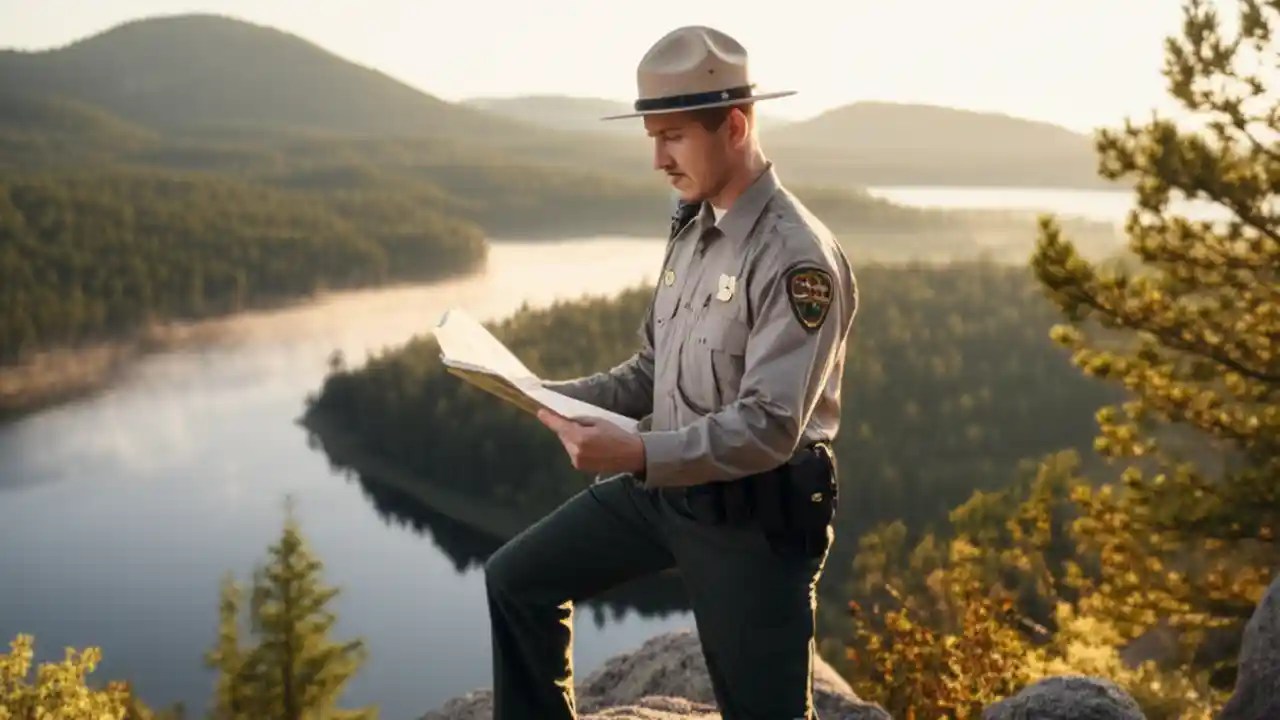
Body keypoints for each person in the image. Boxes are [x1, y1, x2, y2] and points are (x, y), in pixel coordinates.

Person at [483, 25, 859, 720]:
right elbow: (654, 369)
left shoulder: (794, 258)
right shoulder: (692, 225)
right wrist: (541, 393)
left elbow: (770, 428)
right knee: (516, 581)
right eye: (651, 136)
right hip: (663, 495)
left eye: (674, 136)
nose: (657, 158)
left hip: (752, 523)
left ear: (736, 126)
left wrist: (636, 451)